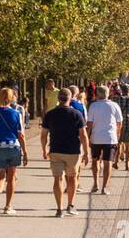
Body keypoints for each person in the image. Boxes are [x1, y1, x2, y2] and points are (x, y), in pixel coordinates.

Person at [41, 88, 89, 217]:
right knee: (72, 178)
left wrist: (44, 149)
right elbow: (83, 135)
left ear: (58, 99)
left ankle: (59, 208)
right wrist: (86, 152)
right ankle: (70, 205)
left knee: (57, 178)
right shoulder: (77, 114)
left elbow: (43, 135)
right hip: (72, 150)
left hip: (55, 149)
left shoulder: (50, 114)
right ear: (70, 98)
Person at [0, 86, 28, 215]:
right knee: (11, 178)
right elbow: (21, 135)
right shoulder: (16, 114)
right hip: (13, 147)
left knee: (0, 178)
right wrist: (25, 152)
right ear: (11, 98)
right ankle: (8, 206)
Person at [85, 84, 123, 195]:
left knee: (95, 161)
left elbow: (89, 123)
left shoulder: (93, 106)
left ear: (97, 94)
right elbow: (119, 123)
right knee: (108, 163)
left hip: (96, 138)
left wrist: (87, 137)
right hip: (110, 138)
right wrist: (117, 134)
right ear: (108, 94)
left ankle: (96, 184)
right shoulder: (115, 105)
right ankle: (104, 187)